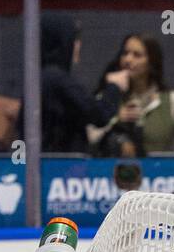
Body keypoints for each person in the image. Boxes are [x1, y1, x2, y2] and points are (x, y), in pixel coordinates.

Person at [88, 34, 174, 156]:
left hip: (161, 173)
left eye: (137, 55)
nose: (128, 60)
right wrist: (115, 118)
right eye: (125, 53)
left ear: (151, 61)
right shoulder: (107, 99)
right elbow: (89, 138)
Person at [39, 14, 123, 152]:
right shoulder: (58, 80)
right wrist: (114, 86)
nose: (78, 45)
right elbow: (99, 114)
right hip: (62, 168)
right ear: (62, 41)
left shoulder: (42, 77)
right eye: (74, 39)